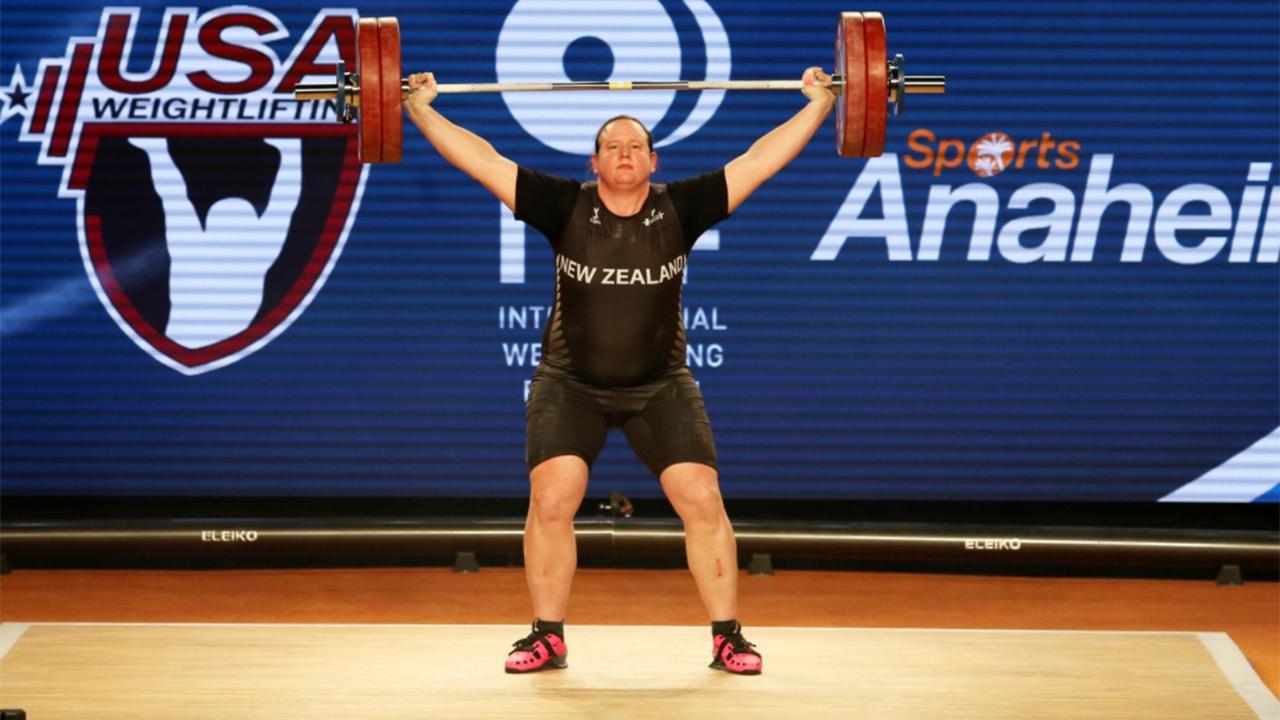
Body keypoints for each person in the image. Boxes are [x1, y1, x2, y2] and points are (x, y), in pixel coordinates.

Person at [403, 67, 836, 675]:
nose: (625, 154)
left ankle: (727, 637)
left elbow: (760, 160)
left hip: (659, 385)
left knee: (702, 495)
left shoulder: (683, 208)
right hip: (569, 383)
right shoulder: (562, 205)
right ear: (595, 161)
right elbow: (482, 159)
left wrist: (819, 106)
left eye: (636, 146)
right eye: (613, 147)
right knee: (552, 495)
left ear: (653, 162)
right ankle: (546, 636)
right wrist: (419, 109)